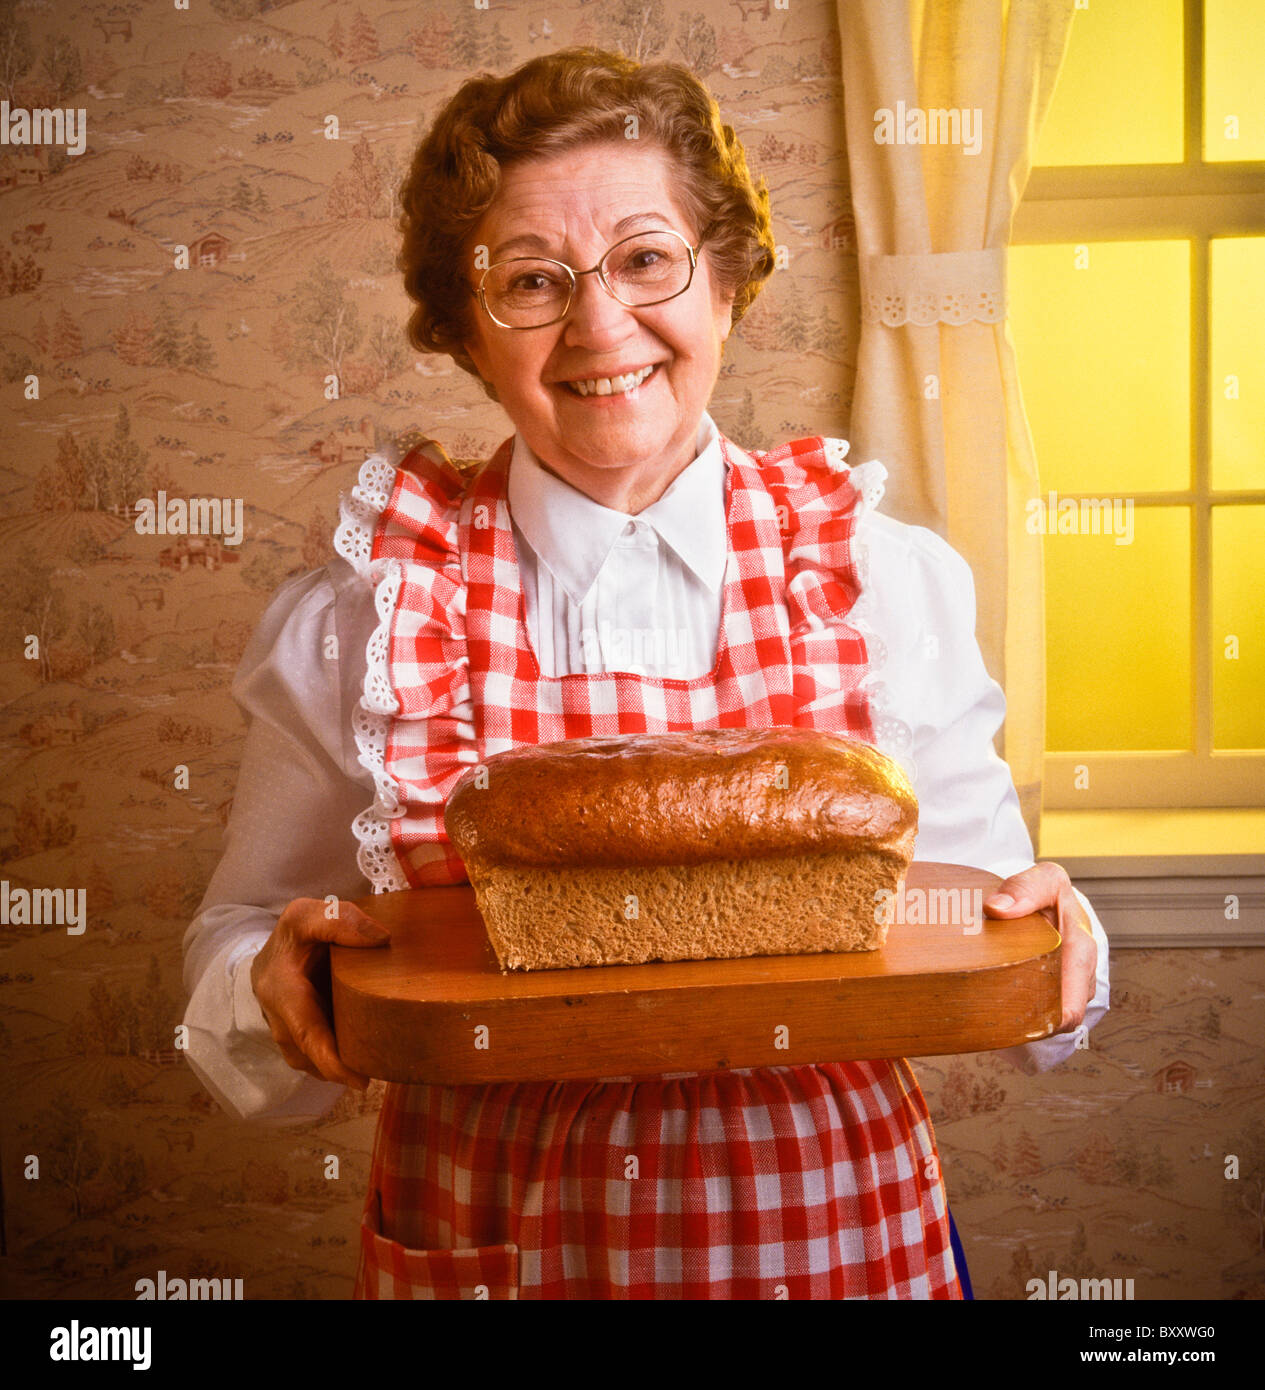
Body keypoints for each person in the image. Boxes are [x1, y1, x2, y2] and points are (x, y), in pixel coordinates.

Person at [181, 46, 1109, 1300]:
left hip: (828, 1234)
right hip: (494, 1235)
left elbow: (989, 929)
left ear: (724, 287)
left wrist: (1059, 932)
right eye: (530, 281)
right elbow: (235, 951)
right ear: (464, 333)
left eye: (645, 259)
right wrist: (263, 984)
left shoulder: (881, 580)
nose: (600, 323)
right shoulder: (369, 615)